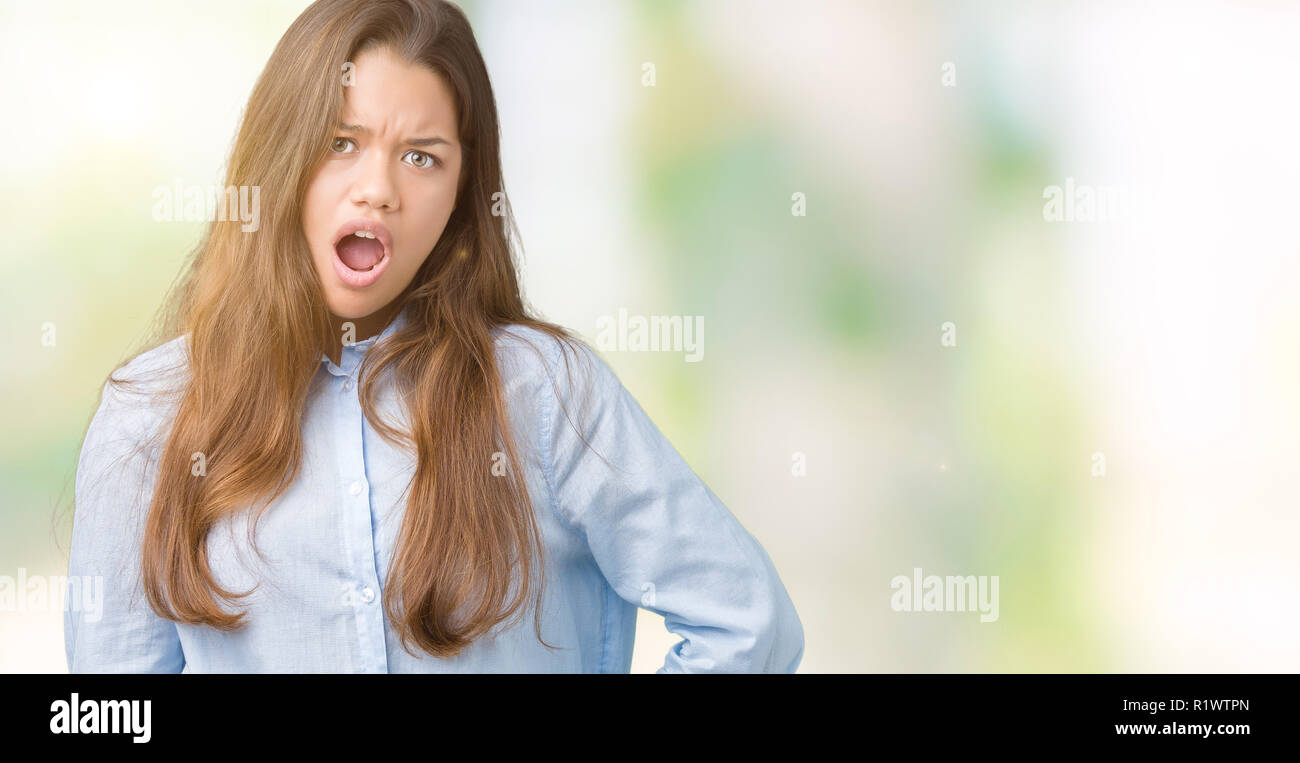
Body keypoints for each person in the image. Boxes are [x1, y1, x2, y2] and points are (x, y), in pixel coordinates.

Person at [65, 0, 804, 673]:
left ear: (459, 198)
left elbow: (747, 625)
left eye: (423, 157)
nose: (379, 188)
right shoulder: (150, 416)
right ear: (279, 155)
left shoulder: (545, 392)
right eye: (340, 142)